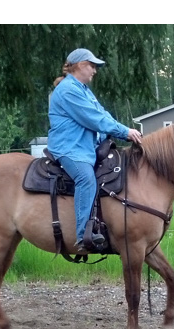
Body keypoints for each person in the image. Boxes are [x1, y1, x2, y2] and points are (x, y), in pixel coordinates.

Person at [48, 48, 143, 253]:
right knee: (86, 178)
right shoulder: (68, 90)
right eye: (92, 66)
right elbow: (94, 119)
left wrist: (122, 131)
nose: (94, 71)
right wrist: (125, 132)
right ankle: (84, 235)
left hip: (86, 148)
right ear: (80, 65)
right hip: (70, 149)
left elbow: (103, 114)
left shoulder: (83, 90)